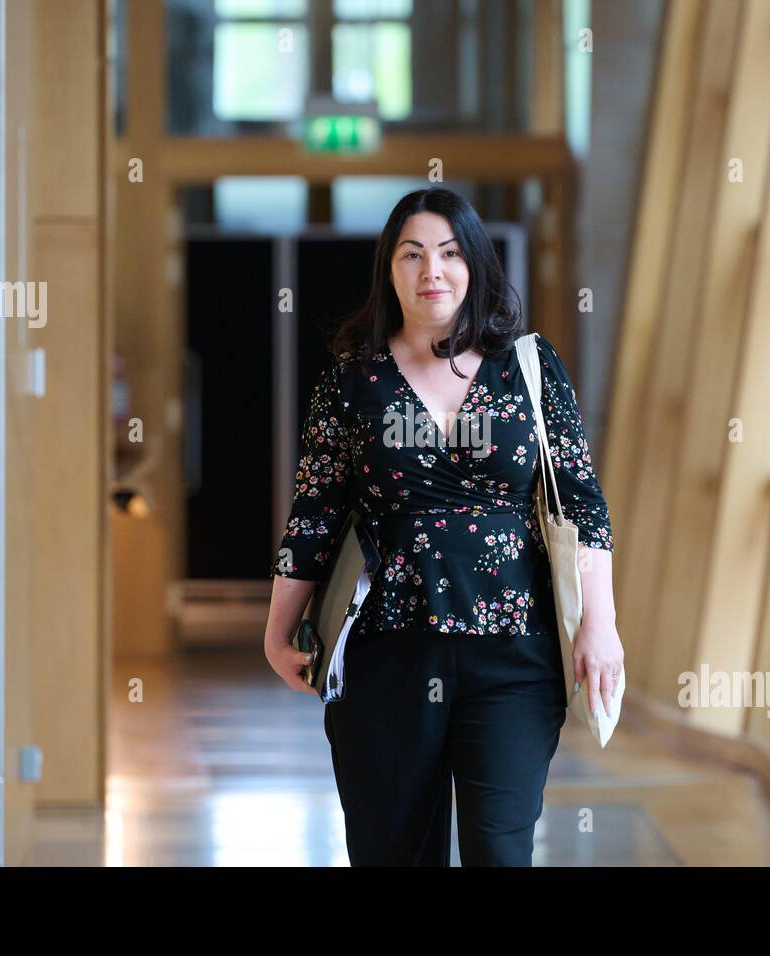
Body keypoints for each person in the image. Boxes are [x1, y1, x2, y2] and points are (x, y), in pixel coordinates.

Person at [262, 186, 622, 866]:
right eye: (413, 254)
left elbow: (580, 504)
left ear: (476, 265)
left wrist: (600, 624)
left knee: (500, 848)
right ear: (389, 270)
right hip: (388, 653)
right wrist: (280, 626)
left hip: (516, 653)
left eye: (451, 254)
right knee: (393, 850)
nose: (433, 271)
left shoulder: (531, 370)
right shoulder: (351, 383)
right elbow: (314, 511)